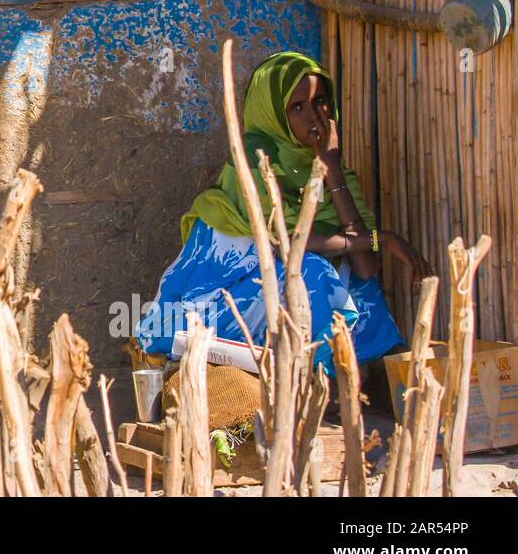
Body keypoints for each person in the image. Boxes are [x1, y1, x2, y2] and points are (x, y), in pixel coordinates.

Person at [136, 51, 428, 371]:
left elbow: (365, 267)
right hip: (230, 291)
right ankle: (311, 376)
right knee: (313, 272)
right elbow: (285, 245)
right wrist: (381, 239)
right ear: (272, 113)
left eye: (321, 101)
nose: (313, 116)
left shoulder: (328, 161)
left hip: (289, 279)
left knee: (353, 279)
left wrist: (331, 168)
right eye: (296, 107)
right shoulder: (255, 157)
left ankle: (377, 366)